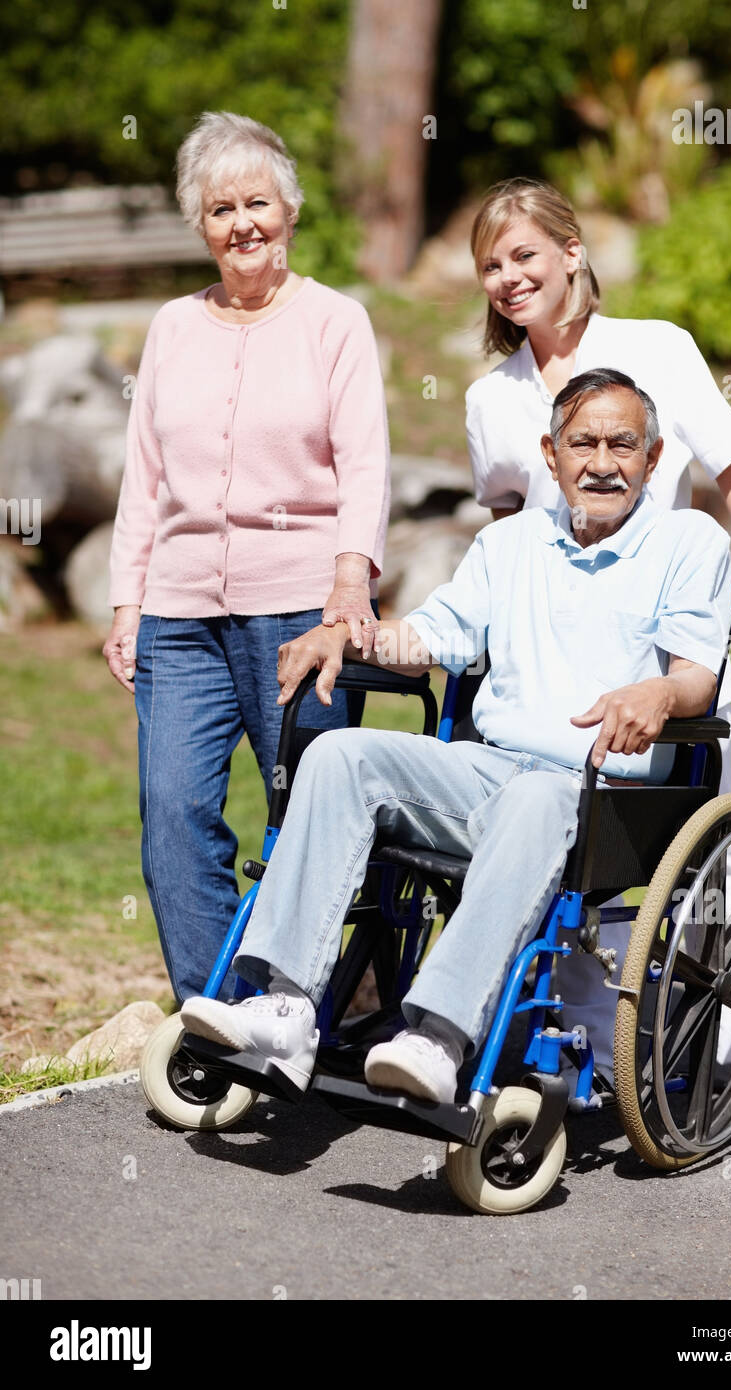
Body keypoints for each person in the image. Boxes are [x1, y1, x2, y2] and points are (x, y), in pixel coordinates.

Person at [179, 370, 731, 1105]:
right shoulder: (507, 545)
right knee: (342, 754)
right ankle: (284, 1009)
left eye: (622, 444)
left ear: (654, 458)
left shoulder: (690, 541)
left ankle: (437, 1037)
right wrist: (350, 638)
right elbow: (435, 636)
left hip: (604, 793)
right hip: (487, 770)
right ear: (550, 453)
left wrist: (658, 691)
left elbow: (696, 679)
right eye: (583, 443)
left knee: (539, 797)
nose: (602, 462)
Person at [464, 178, 731, 1118]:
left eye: (525, 255)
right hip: (552, 676)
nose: (508, 277)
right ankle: (574, 1042)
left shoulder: (655, 349)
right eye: (492, 265)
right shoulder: (491, 400)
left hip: (669, 648)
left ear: (573, 252)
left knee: (704, 876)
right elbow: (504, 528)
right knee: (566, 864)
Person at [103, 112, 390, 1003]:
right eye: (220, 208)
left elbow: (366, 464)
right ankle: (217, 1009)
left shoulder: (336, 322)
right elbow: (143, 477)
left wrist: (350, 588)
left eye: (256, 201)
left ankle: (309, 999)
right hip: (179, 619)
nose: (242, 223)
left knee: (309, 814)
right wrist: (126, 604)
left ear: (291, 209)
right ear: (201, 224)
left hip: (299, 616)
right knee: (174, 817)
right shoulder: (171, 328)